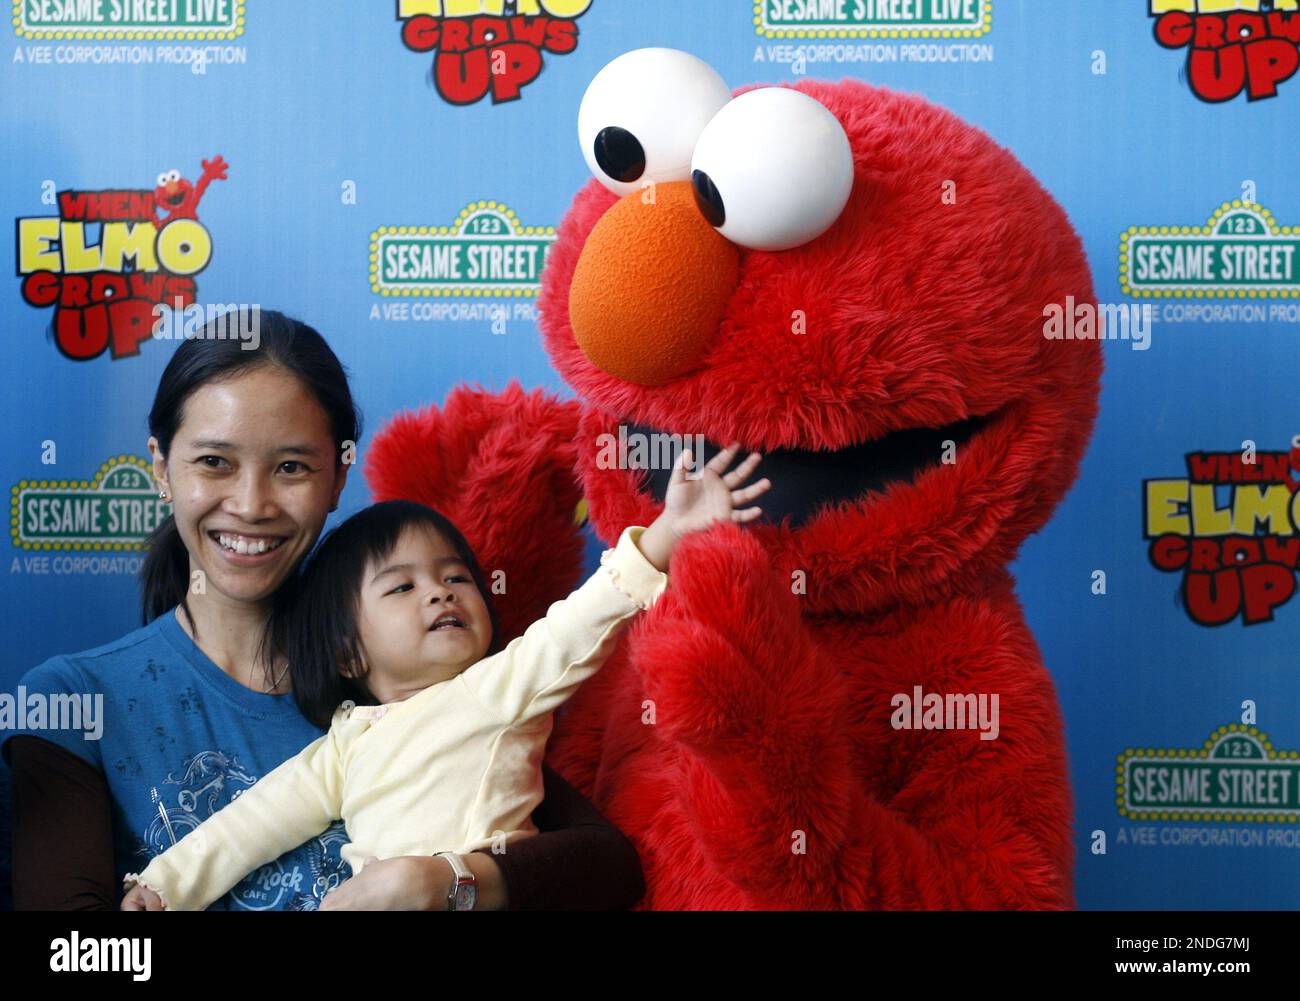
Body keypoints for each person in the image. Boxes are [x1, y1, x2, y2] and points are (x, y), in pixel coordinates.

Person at [3, 310, 653, 910]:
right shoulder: (77, 701)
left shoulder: (404, 666)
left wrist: (444, 879)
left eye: (291, 466)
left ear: (338, 477)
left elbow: (609, 866)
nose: (252, 503)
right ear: (162, 467)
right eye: (214, 462)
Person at [120, 435, 770, 911]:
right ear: (348, 654)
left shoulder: (500, 687)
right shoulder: (346, 742)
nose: (440, 593)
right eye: (401, 587)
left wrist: (667, 532)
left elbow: (580, 620)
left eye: (455, 577)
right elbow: (254, 820)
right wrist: (163, 886)